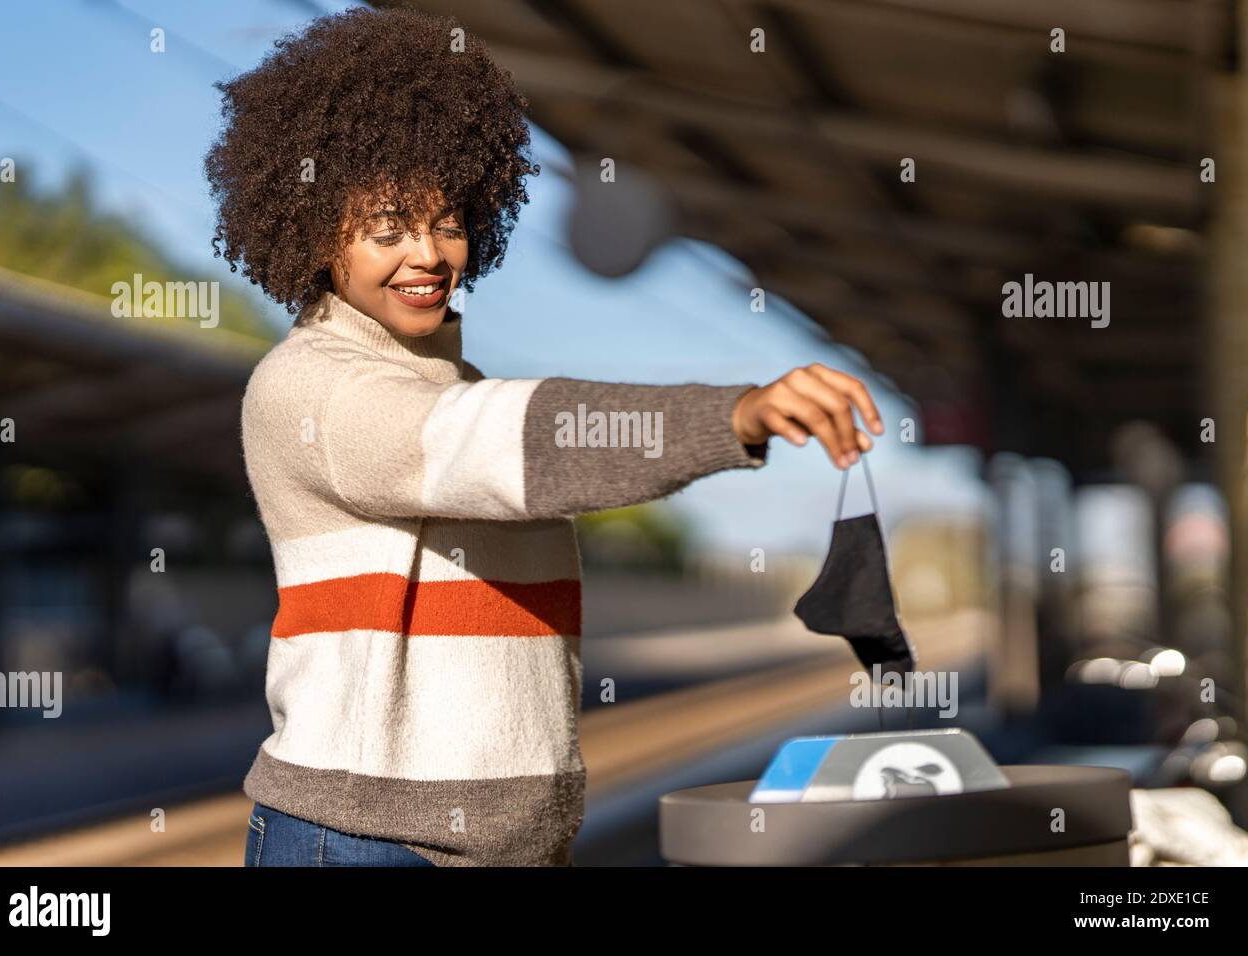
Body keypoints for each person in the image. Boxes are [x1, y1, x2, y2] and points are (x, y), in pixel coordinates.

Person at [205, 5, 882, 867]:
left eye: (447, 223)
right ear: (312, 231)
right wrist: (732, 416)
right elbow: (491, 444)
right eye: (386, 230)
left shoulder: (462, 389)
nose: (427, 255)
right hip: (366, 843)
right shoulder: (307, 388)